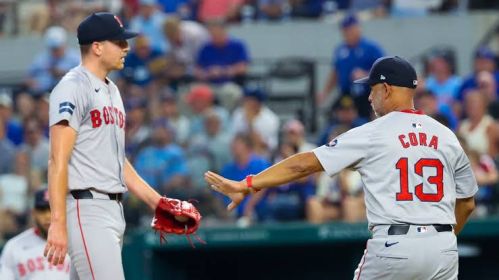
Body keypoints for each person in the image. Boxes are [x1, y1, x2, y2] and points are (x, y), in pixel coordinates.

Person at [206, 56, 477, 279]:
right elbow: (467, 204)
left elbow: (303, 164)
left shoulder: (373, 132)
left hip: (395, 245)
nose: (369, 98)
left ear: (386, 89)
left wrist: (248, 183)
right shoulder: (446, 135)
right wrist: (436, 241)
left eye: (372, 90)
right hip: (443, 248)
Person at [44, 13, 166, 279]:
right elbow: (57, 159)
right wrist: (57, 223)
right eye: (119, 42)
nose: (127, 48)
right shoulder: (72, 87)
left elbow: (116, 160)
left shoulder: (112, 90)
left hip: (111, 209)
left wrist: (157, 202)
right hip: (86, 207)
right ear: (97, 47)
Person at [318, 15, 384, 118]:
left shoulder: (371, 48)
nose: (347, 33)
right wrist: (325, 93)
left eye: (349, 29)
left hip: (367, 94)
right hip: (347, 94)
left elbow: (384, 70)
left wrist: (366, 74)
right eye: (344, 30)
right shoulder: (340, 50)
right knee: (333, 115)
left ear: (358, 28)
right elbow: (335, 73)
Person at [0, 189, 71, 279]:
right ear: (33, 213)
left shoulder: (77, 242)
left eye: (52, 209)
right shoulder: (14, 246)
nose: (48, 215)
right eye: (42, 210)